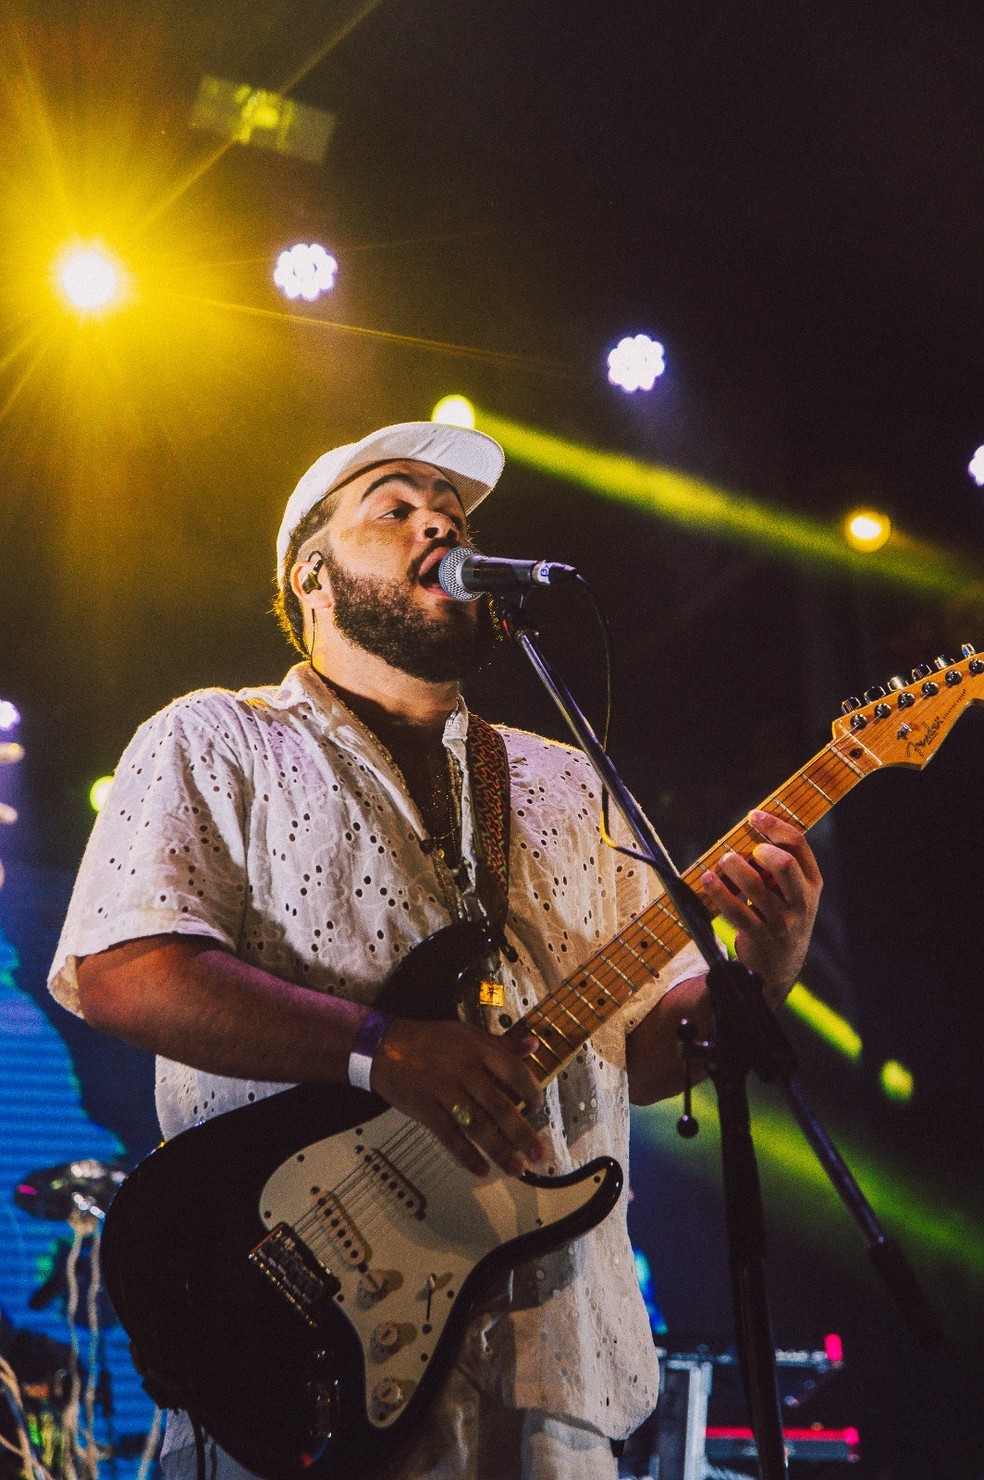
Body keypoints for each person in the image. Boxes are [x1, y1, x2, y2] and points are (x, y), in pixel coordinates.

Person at [48, 421, 822, 1480]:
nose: (439, 526)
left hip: (553, 1381)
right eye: (396, 509)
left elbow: (648, 1060)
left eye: (451, 516)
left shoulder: (569, 781)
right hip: (300, 1337)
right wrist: (384, 1049)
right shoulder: (216, 737)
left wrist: (767, 963)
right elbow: (121, 972)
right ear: (311, 576)